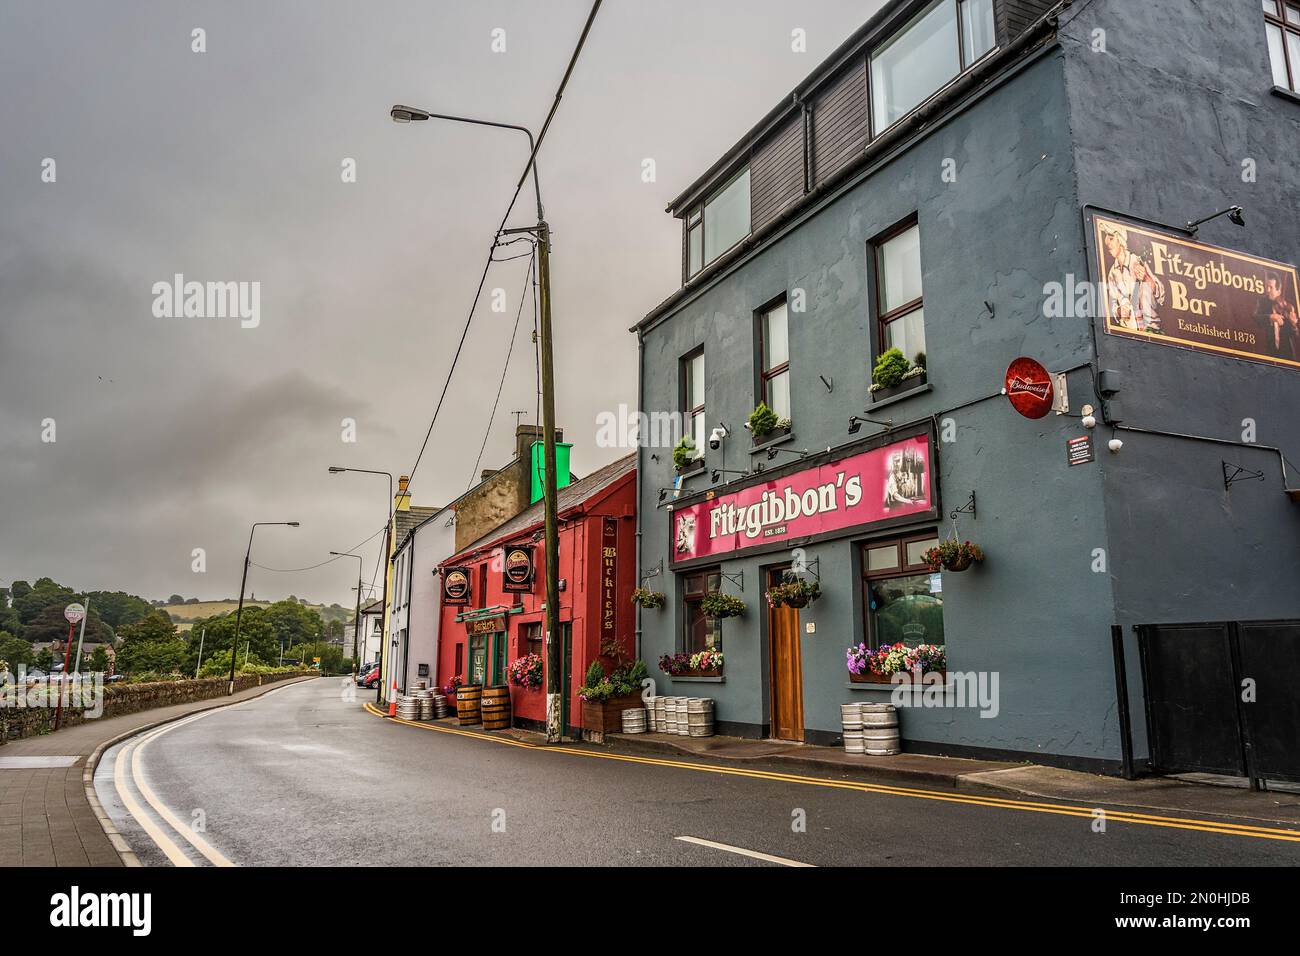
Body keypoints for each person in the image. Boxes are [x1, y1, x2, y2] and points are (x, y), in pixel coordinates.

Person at [1255, 272, 1299, 360]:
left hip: (1286, 354)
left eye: (1271, 287)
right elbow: (1255, 318)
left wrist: (1294, 325)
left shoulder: (1287, 307)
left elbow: (1295, 335)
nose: (1267, 290)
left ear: (1279, 291)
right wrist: (1270, 317)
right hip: (1268, 352)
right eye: (1266, 286)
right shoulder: (1262, 302)